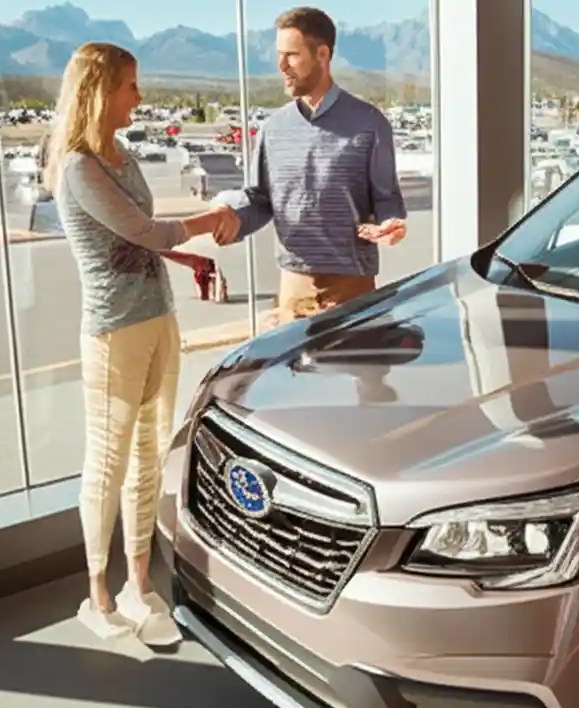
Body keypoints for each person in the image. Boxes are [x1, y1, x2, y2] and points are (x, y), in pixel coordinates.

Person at [46, 42, 234, 644]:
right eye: (131, 85)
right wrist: (212, 218)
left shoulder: (121, 155)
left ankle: (138, 582)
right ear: (101, 91)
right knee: (108, 459)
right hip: (114, 330)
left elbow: (144, 242)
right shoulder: (77, 166)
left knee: (149, 455)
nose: (140, 96)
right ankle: (97, 593)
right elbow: (142, 229)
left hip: (158, 318)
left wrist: (185, 256)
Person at [211, 6, 407, 326]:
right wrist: (228, 217)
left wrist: (391, 224)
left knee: (354, 375)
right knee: (295, 377)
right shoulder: (272, 129)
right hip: (293, 288)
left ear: (322, 54)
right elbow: (260, 200)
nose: (280, 66)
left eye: (291, 55)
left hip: (352, 288)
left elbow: (386, 197)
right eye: (279, 55)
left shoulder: (370, 124)